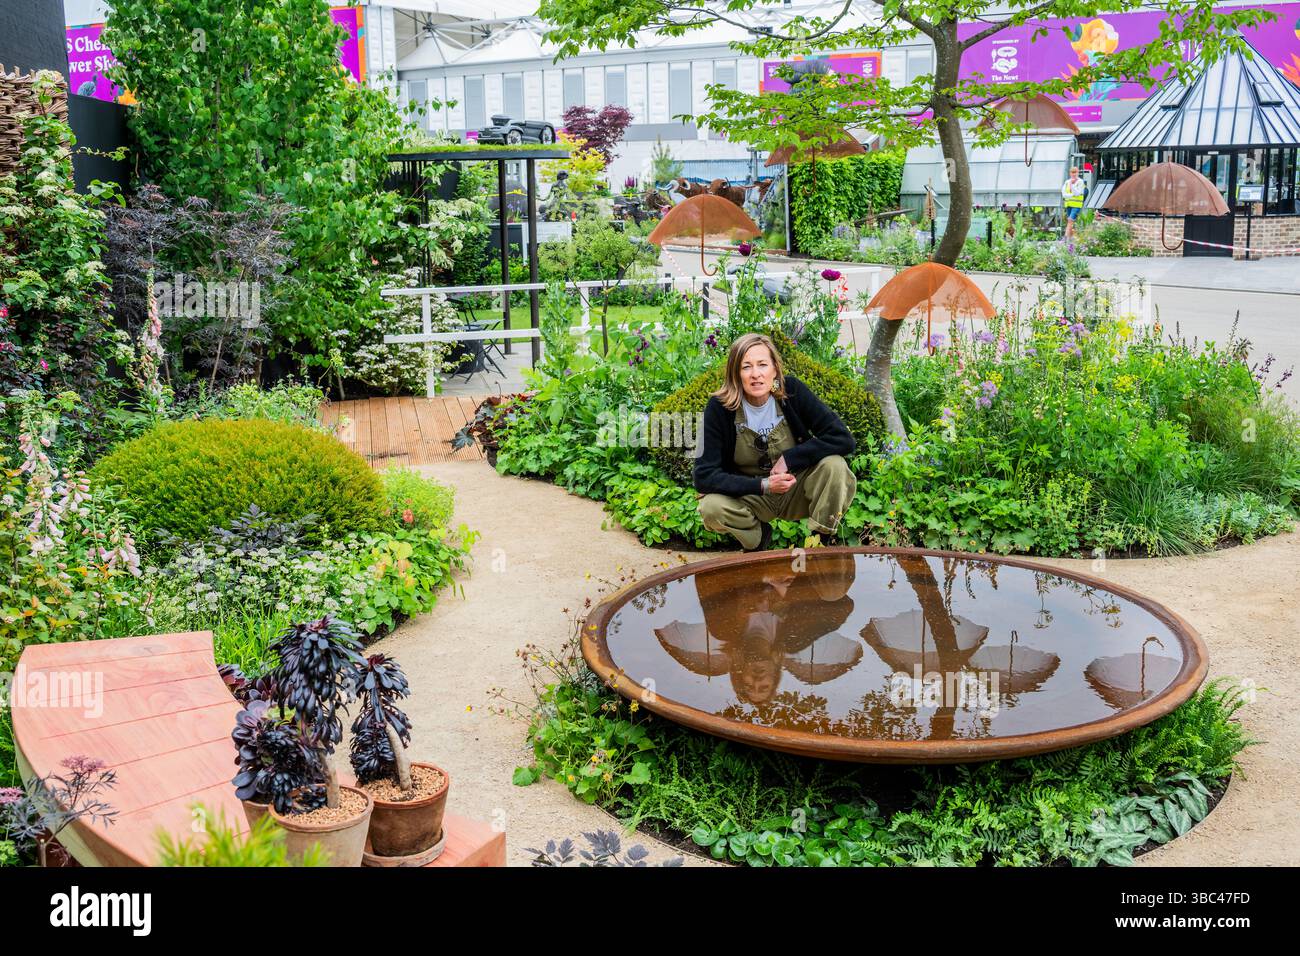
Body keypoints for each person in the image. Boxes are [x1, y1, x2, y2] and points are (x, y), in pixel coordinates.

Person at [694, 332, 857, 551]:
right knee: (711, 507)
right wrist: (763, 485)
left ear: (774, 369)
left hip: (796, 489)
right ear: (735, 373)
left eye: (762, 364)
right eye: (746, 367)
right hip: (751, 495)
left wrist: (790, 458)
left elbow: (843, 439)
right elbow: (703, 475)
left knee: (835, 466)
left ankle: (819, 542)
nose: (756, 374)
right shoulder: (719, 408)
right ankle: (758, 540)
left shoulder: (793, 392)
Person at [1061, 166, 1088, 240]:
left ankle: (1065, 238)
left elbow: (1077, 193)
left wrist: (1072, 186)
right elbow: (1064, 194)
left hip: (1077, 205)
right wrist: (1071, 195)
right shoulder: (1067, 182)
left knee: (1070, 220)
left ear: (1078, 173)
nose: (1074, 174)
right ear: (1070, 173)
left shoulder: (1080, 182)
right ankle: (1071, 238)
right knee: (1070, 222)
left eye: (1075, 172)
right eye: (1072, 172)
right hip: (1069, 204)